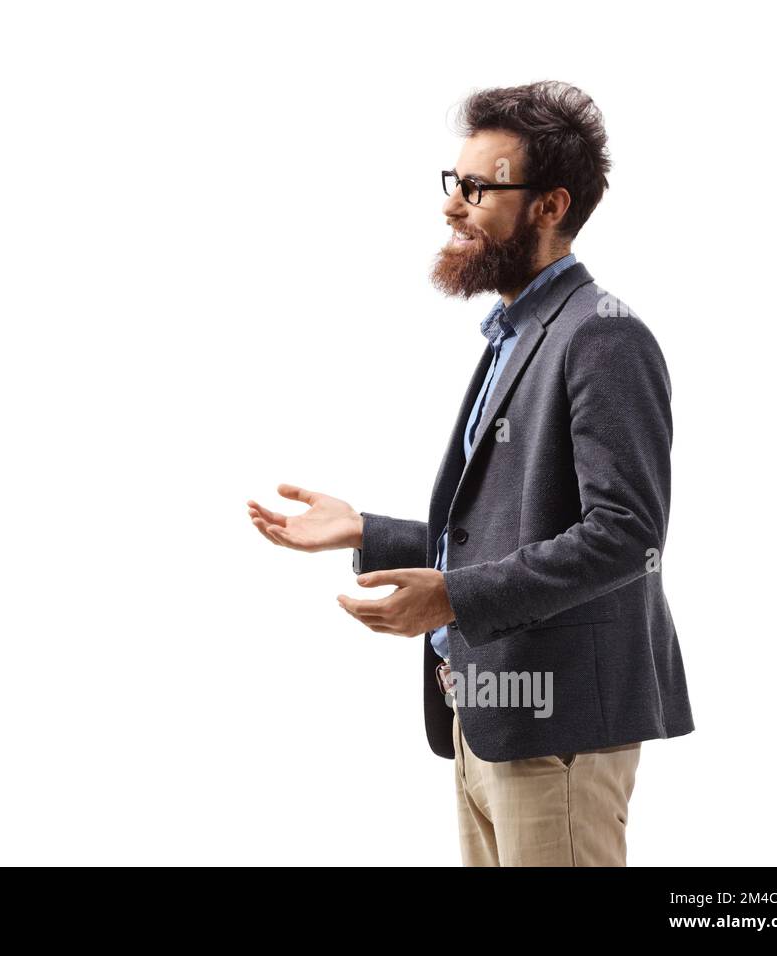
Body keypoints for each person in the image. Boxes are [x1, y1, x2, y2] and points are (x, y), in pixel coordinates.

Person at [248, 81, 693, 866]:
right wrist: (367, 532)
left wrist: (453, 596)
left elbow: (625, 535)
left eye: (480, 187)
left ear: (550, 207)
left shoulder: (603, 337)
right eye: (454, 183)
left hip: (559, 732)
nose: (454, 205)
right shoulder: (515, 335)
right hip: (485, 719)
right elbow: (515, 527)